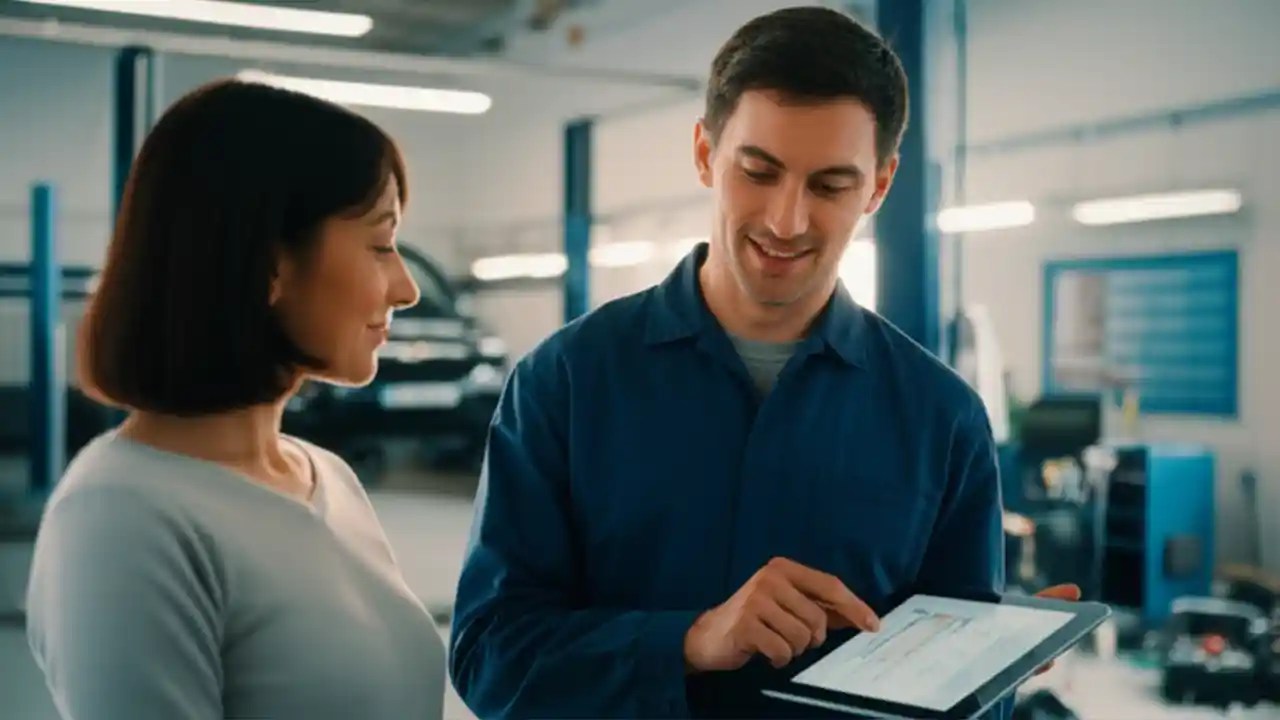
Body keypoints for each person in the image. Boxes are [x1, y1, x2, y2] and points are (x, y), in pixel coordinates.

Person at [449, 6, 1078, 719]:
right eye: (759, 171)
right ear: (703, 153)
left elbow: (966, 711)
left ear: (879, 185)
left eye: (831, 186)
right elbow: (487, 655)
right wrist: (685, 641)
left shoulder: (941, 418)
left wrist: (986, 661)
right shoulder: (566, 383)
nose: (787, 221)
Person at [25, 78, 447, 720]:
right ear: (268, 263)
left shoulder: (326, 477)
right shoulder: (123, 519)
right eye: (382, 244)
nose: (407, 288)